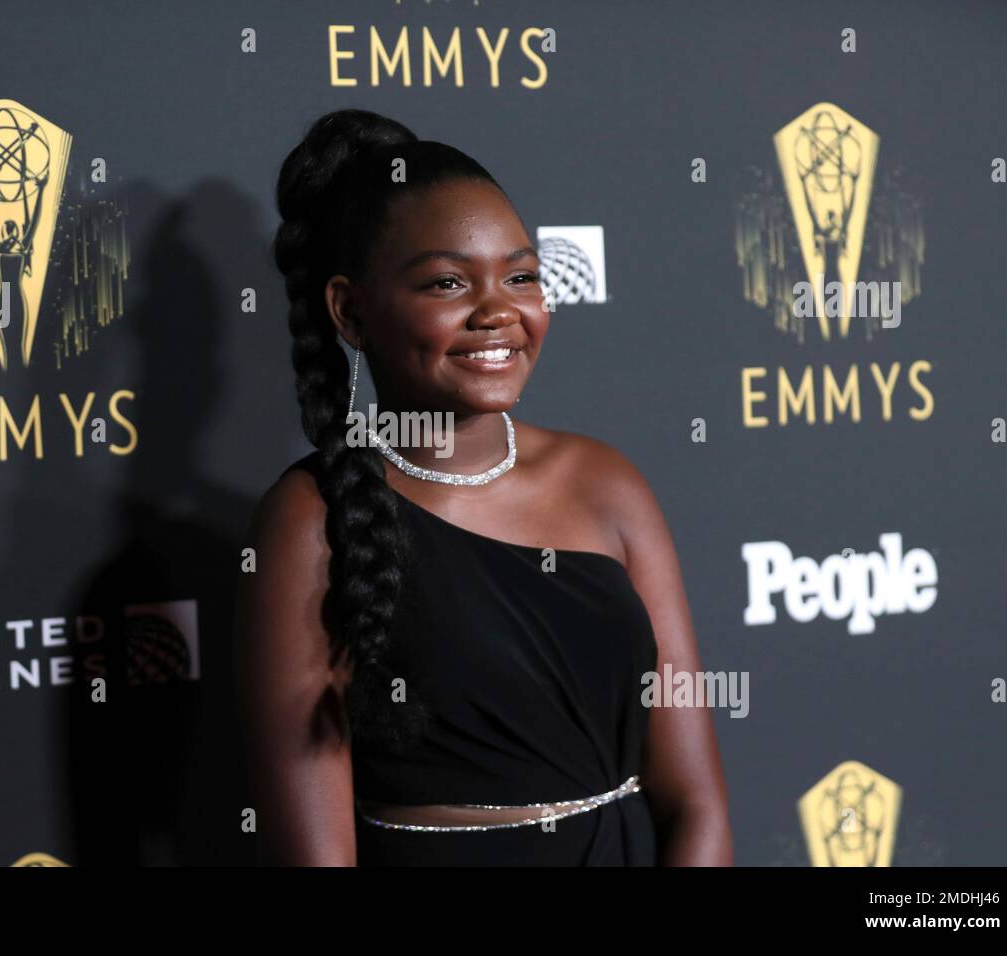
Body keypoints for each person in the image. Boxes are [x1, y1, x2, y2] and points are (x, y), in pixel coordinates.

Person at [233, 109, 731, 866]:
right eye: (448, 282)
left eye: (521, 276)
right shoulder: (308, 522)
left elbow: (697, 804)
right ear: (351, 312)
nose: (500, 311)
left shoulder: (607, 484)